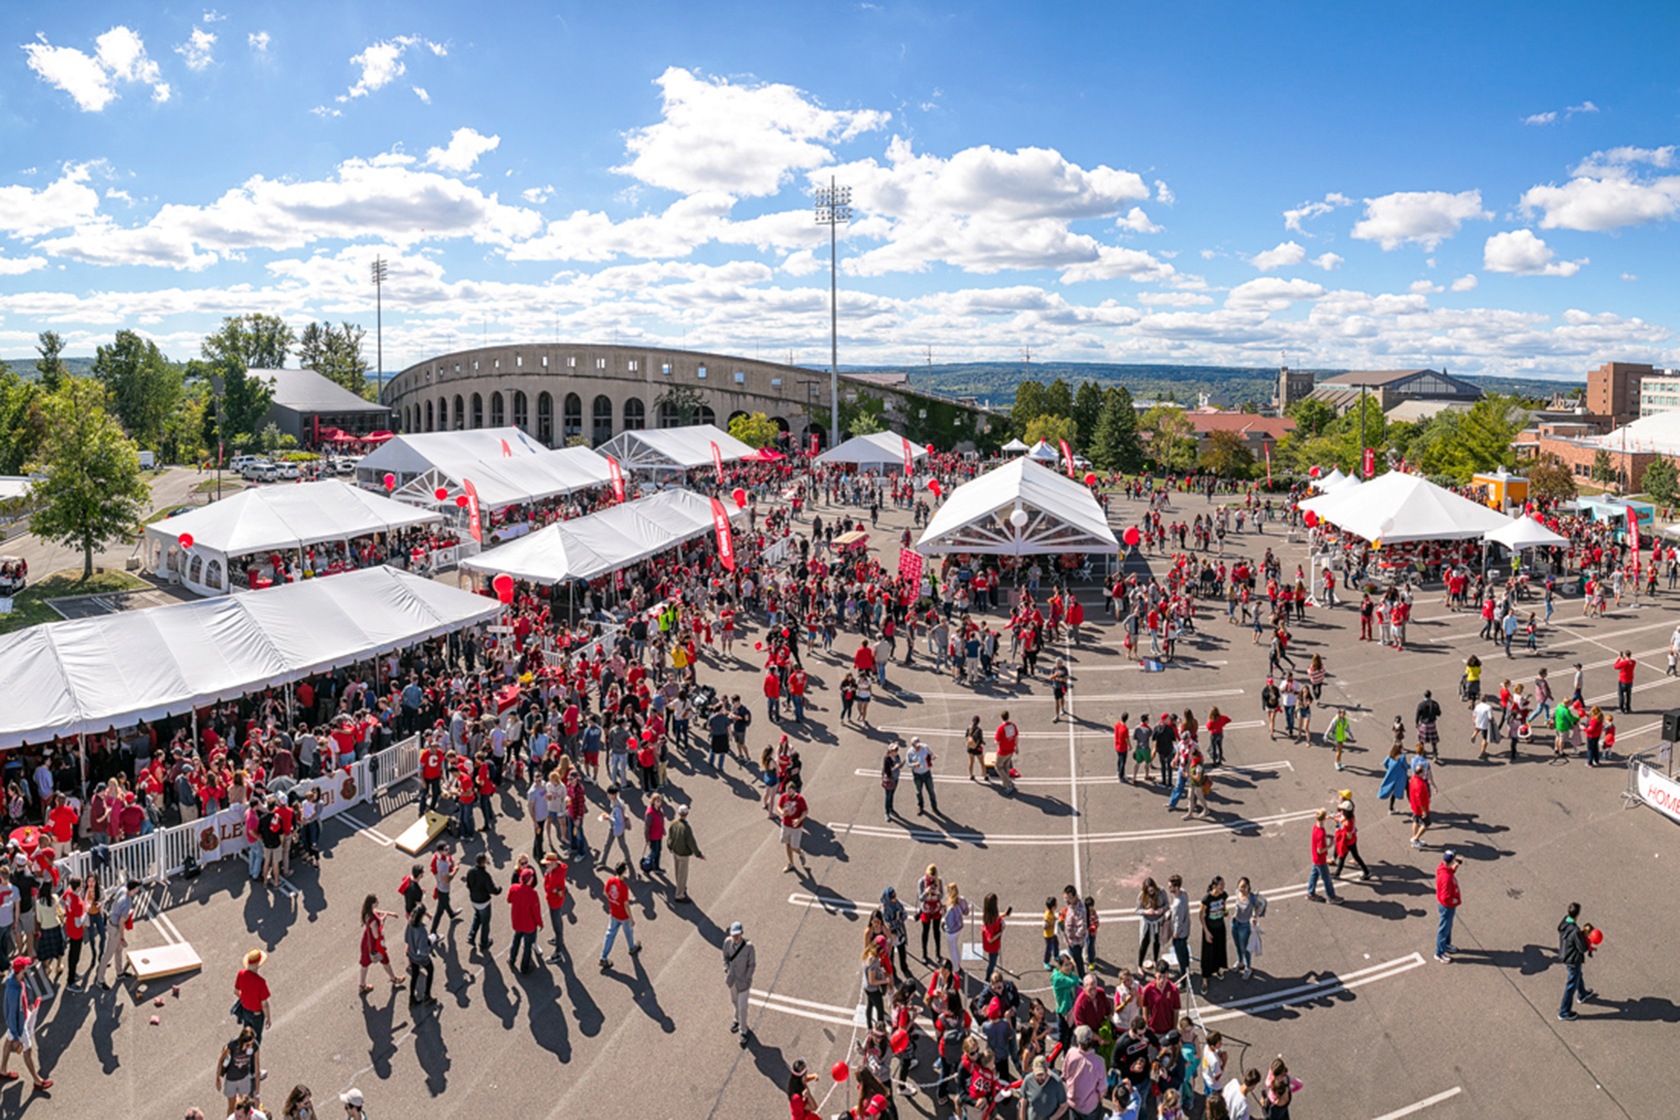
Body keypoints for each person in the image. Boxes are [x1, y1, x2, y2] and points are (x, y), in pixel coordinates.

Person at [0, 956, 49, 1093]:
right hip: (18, 1025)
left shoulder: (15, 978)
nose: (27, 970)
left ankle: (3, 1070)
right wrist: (16, 1037)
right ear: (20, 970)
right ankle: (37, 1081)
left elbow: (25, 987)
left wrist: (31, 1000)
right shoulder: (12, 992)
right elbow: (10, 1015)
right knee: (28, 1050)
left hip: (21, 1019)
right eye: (25, 968)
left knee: (8, 1041)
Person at [94, 878, 140, 991]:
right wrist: (122, 937)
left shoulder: (122, 890)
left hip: (111, 922)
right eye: (137, 888)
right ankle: (100, 980)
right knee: (108, 954)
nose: (138, 889)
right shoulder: (127, 902)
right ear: (134, 889)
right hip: (115, 929)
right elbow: (121, 923)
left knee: (118, 950)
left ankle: (120, 973)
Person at [1557, 901, 1597, 1021]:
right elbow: (1582, 948)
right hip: (1572, 958)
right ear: (1578, 914)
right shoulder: (1575, 931)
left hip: (1564, 953)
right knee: (1571, 984)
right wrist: (1586, 936)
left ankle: (1582, 994)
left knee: (1578, 975)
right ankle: (1564, 1011)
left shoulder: (1564, 922)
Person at [357, 895, 404, 994]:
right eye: (377, 901)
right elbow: (375, 935)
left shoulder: (367, 913)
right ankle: (393, 978)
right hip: (375, 945)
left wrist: (389, 913)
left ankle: (362, 985)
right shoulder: (373, 921)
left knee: (364, 964)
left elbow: (376, 911)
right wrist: (382, 922)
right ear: (373, 903)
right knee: (385, 960)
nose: (379, 902)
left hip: (366, 942)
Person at [599, 862, 638, 971]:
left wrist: (612, 901)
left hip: (614, 913)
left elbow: (605, 893)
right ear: (624, 871)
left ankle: (603, 956)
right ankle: (632, 947)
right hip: (623, 915)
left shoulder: (610, 881)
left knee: (610, 934)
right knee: (628, 932)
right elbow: (626, 905)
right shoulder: (624, 887)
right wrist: (631, 918)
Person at [723, 920, 756, 1046]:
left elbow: (752, 964)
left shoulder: (749, 947)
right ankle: (736, 1019)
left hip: (743, 983)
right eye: (733, 934)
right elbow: (725, 957)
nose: (735, 937)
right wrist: (726, 968)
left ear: (742, 933)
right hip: (732, 980)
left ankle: (743, 1031)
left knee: (743, 1007)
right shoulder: (727, 943)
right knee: (734, 1002)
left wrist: (748, 978)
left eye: (737, 934)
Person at [216, 1024, 260, 1116]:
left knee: (244, 1107)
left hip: (244, 1078)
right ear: (242, 1041)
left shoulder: (255, 1046)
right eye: (248, 1044)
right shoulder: (234, 1044)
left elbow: (257, 1067)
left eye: (251, 1044)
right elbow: (221, 1058)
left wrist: (257, 1093)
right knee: (231, 1107)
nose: (250, 1046)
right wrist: (218, 1078)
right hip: (231, 1078)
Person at [507, 865, 542, 974]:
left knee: (516, 939)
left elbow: (509, 900)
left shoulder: (514, 888)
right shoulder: (533, 893)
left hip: (517, 921)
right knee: (527, 946)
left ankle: (512, 959)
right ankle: (524, 967)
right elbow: (536, 911)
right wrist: (540, 923)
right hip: (529, 924)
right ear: (530, 879)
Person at [234, 948, 272, 1045]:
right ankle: (253, 1054)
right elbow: (264, 1004)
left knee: (246, 1032)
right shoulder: (260, 982)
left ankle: (243, 1049)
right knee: (256, 1036)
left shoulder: (241, 974)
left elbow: (236, 991)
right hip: (256, 1013)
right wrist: (268, 1018)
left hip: (245, 1009)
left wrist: (245, 998)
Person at [1305, 809, 1340, 904]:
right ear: (1323, 818)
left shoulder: (1316, 826)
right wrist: (1330, 845)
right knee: (1327, 879)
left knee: (1314, 874)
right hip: (1320, 859)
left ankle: (1310, 892)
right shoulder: (1321, 833)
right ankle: (1331, 897)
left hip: (1315, 858)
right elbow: (1320, 850)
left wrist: (1326, 835)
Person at [1018, 1053, 1067, 1120]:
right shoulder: (1028, 1080)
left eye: (1042, 1074)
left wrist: (1051, 1119)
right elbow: (1023, 1102)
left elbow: (1063, 1106)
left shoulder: (1057, 1082)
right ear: (1032, 1069)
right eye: (1037, 1074)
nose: (1040, 1078)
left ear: (1047, 1070)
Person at [1200, 876, 1229, 986]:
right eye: (1221, 885)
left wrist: (1224, 911)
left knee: (1219, 949)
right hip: (1210, 929)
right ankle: (1205, 978)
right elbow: (1201, 916)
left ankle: (1217, 969)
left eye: (1223, 884)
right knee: (1207, 953)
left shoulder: (1223, 895)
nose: (1223, 887)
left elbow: (1224, 906)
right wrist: (1206, 931)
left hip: (1220, 927)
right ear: (1214, 886)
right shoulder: (1207, 899)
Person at [1435, 849, 1463, 963]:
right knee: (1444, 928)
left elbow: (1451, 871)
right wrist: (1455, 900)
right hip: (1447, 905)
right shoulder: (1446, 878)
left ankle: (1446, 945)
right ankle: (1439, 953)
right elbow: (1446, 896)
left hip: (1446, 904)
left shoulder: (1443, 868)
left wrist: (1457, 865)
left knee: (1448, 926)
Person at [779, 782, 809, 874]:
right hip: (786, 825)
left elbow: (805, 811)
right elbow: (778, 806)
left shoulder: (800, 799)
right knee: (787, 844)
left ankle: (800, 853)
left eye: (791, 792)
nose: (789, 794)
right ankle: (790, 863)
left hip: (796, 828)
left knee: (794, 847)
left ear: (794, 791)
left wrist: (799, 820)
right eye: (787, 791)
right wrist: (781, 813)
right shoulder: (784, 797)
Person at [907, 737, 940, 815]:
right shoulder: (910, 752)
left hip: (927, 773)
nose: (918, 747)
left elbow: (931, 754)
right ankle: (920, 807)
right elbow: (908, 763)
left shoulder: (925, 747)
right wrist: (914, 765)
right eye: (916, 746)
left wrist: (933, 756)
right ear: (912, 745)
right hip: (917, 775)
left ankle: (934, 807)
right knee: (918, 792)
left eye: (919, 745)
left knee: (931, 791)